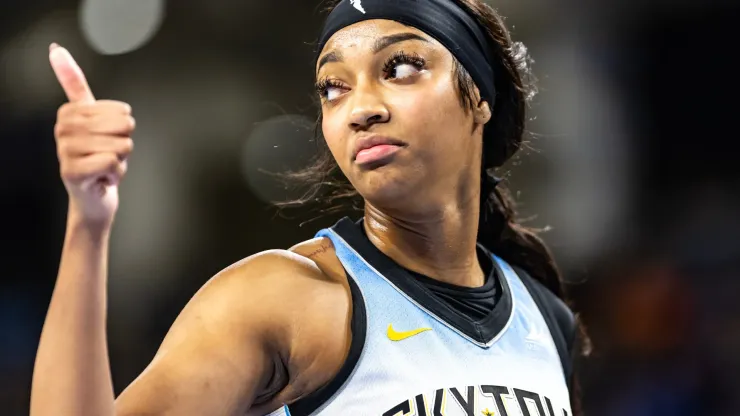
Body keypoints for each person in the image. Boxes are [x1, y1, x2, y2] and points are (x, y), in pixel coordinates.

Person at [30, 0, 581, 415]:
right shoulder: (284, 299)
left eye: (399, 67)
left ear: (478, 97)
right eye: (333, 87)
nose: (361, 108)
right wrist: (88, 222)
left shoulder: (543, 317)